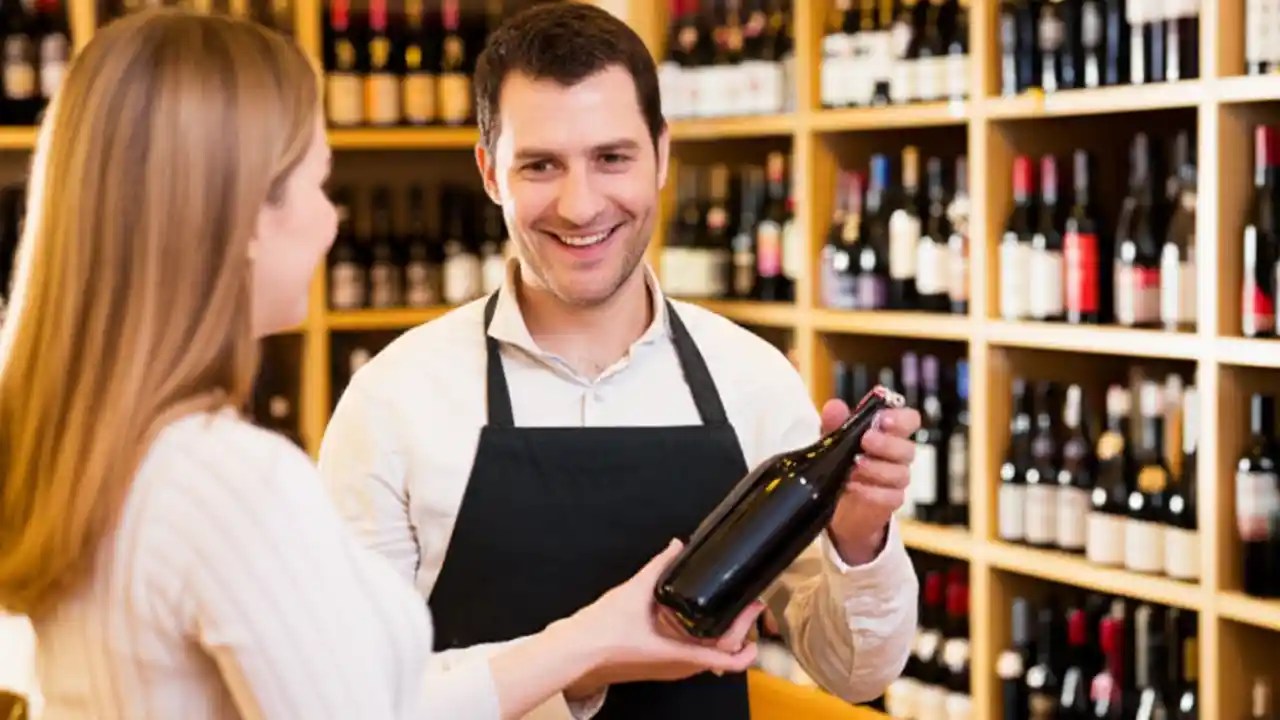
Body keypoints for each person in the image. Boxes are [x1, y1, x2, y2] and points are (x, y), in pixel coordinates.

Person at [0, 10, 767, 720]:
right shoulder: (233, 482)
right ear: (238, 218)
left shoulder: (88, 451)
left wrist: (584, 646)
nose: (334, 221)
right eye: (317, 181)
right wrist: (588, 645)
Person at [318, 4, 922, 719]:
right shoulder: (392, 402)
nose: (581, 206)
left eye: (612, 158)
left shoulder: (752, 381)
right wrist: (577, 667)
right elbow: (344, 696)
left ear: (663, 157)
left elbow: (853, 673)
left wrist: (859, 540)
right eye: (540, 165)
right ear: (489, 173)